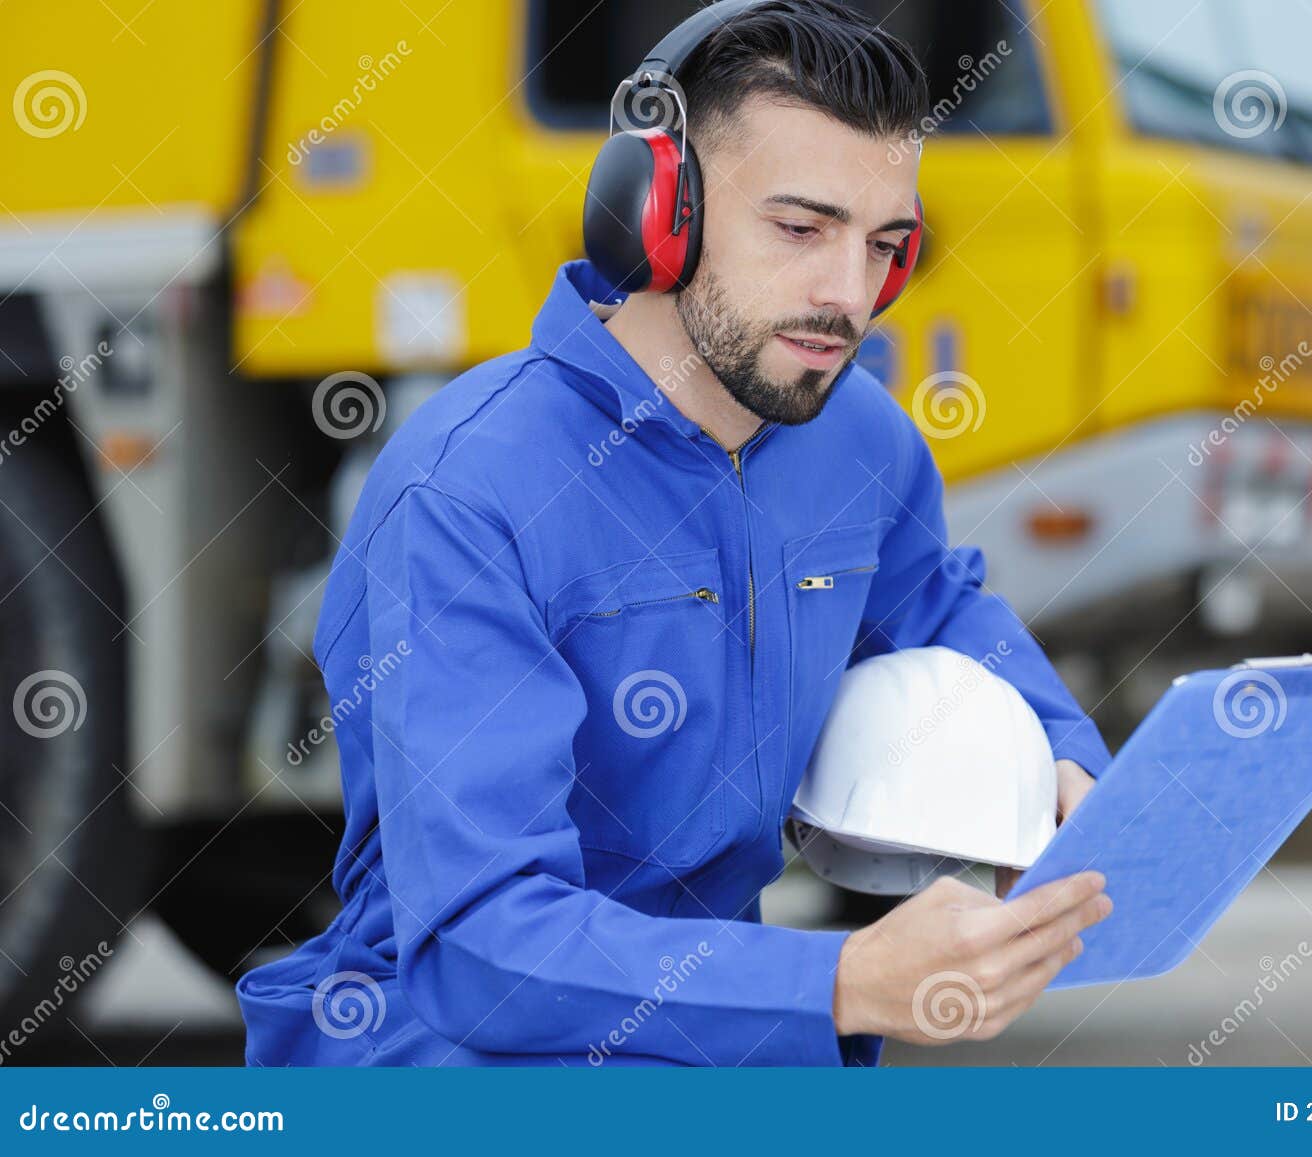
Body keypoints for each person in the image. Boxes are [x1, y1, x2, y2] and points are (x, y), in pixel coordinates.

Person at [237, 0, 1113, 1068]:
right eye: (800, 228)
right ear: (658, 212)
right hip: (452, 1054)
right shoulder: (469, 488)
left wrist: (1066, 761)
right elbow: (480, 943)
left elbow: (941, 610)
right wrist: (840, 980)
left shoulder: (859, 443)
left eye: (885, 245)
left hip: (723, 1025)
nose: (850, 296)